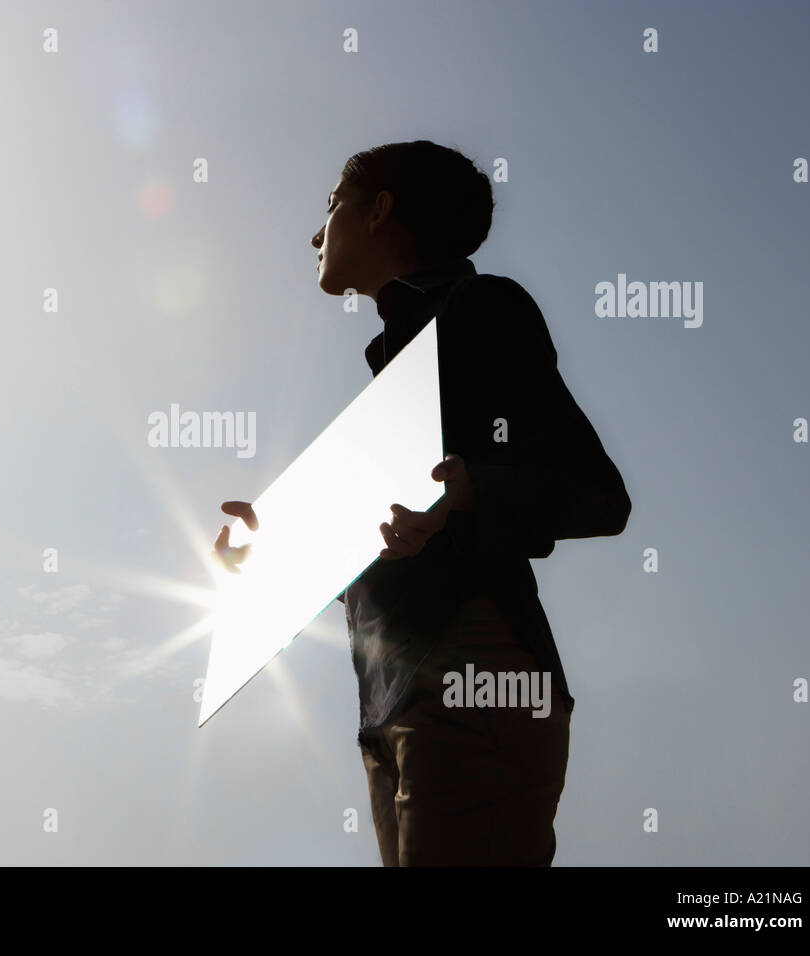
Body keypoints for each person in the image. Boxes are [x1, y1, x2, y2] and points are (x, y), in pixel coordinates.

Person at [214, 140, 631, 866]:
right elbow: (389, 531)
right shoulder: (396, 377)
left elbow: (600, 495)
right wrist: (271, 549)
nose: (317, 233)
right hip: (394, 704)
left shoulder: (482, 309)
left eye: (332, 206)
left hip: (472, 674)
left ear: (379, 212)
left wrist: (471, 489)